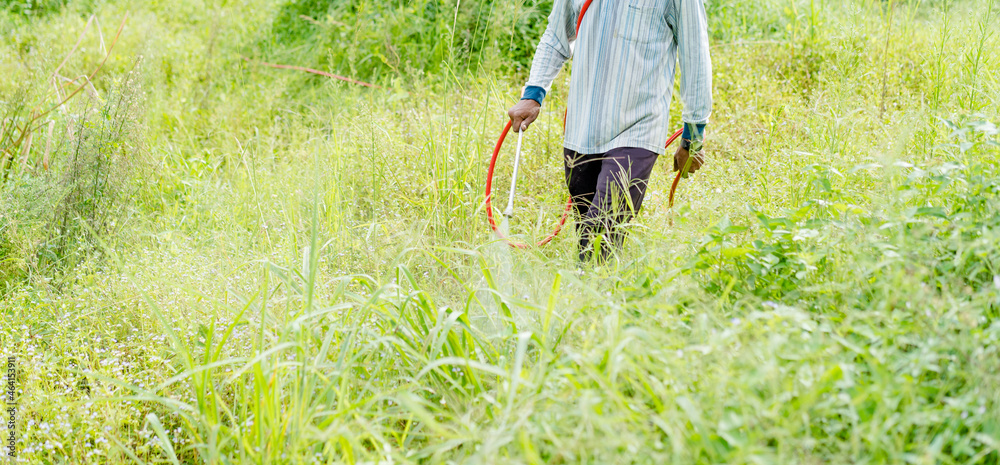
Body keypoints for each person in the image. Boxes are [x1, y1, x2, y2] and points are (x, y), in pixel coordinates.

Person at [507, 0, 713, 262]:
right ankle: (598, 296)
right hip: (582, 129)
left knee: (600, 231)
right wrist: (533, 93)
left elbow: (695, 53)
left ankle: (584, 293)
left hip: (638, 127)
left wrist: (693, 138)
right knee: (588, 233)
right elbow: (556, 37)